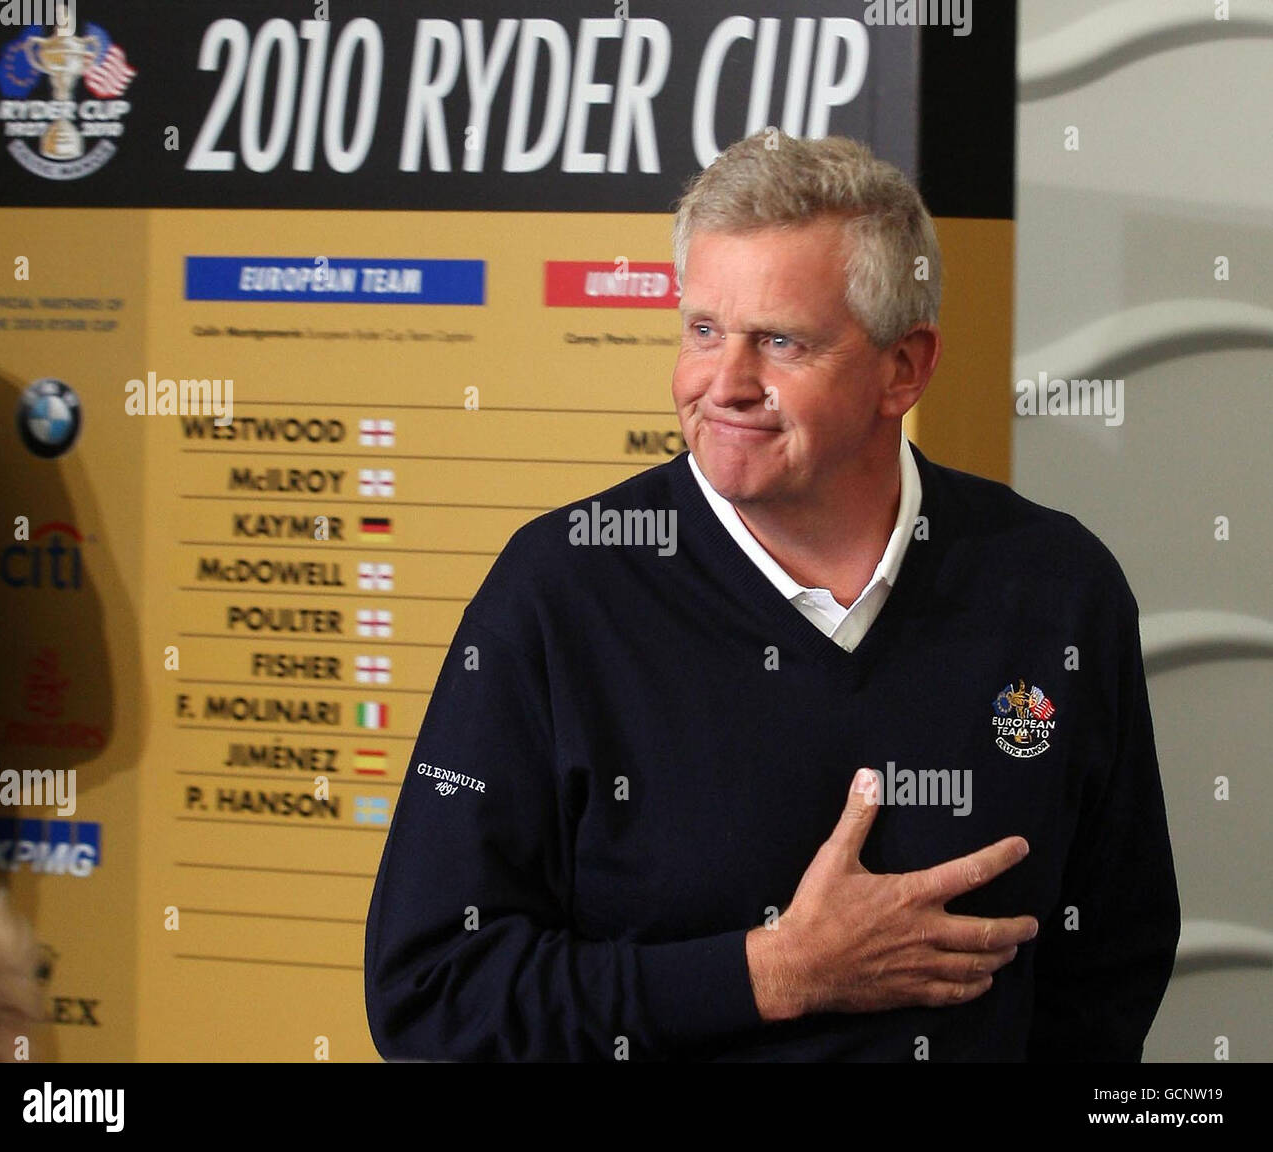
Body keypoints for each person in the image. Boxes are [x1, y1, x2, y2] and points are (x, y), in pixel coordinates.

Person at [364, 131, 1180, 1062]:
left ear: (905, 368)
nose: (724, 385)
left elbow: (1115, 958)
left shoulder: (1057, 589)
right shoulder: (557, 592)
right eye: (704, 330)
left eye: (780, 342)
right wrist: (773, 973)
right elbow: (429, 995)